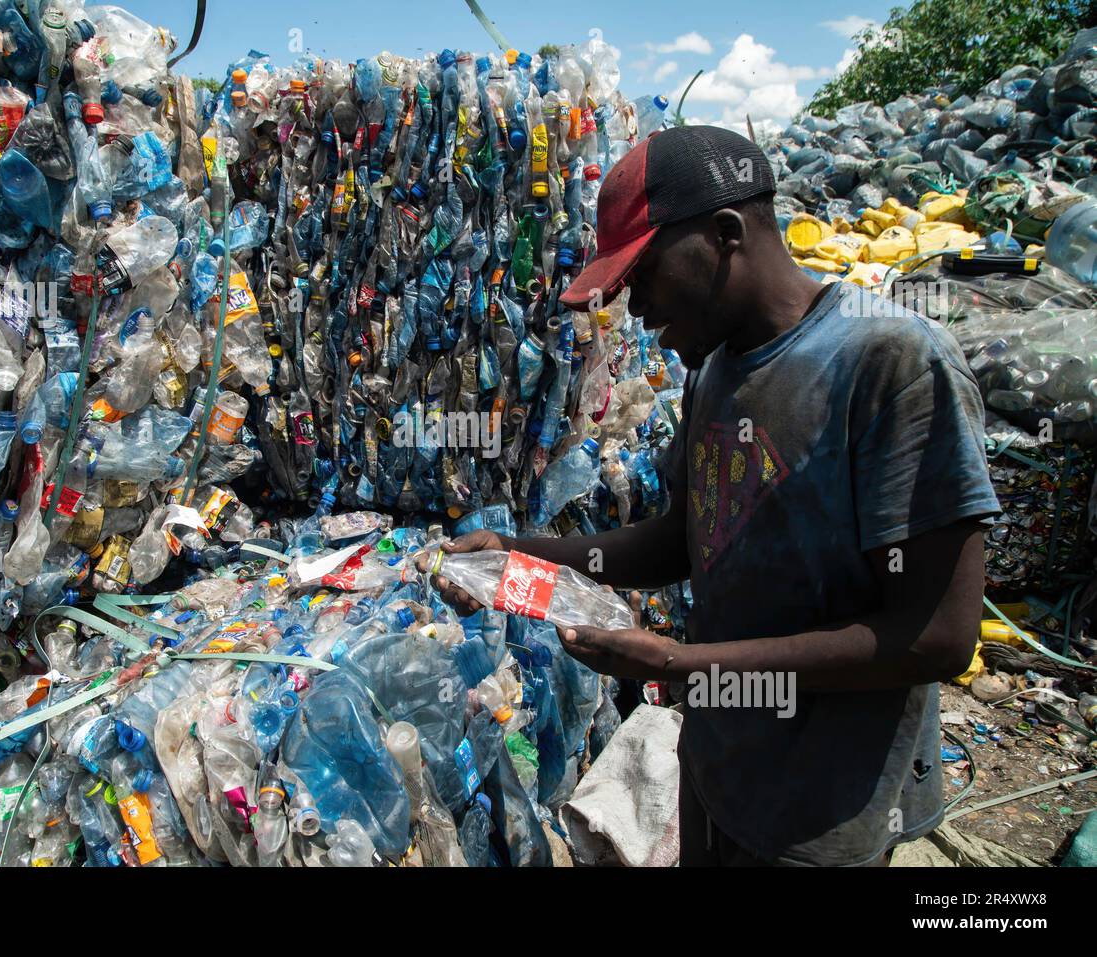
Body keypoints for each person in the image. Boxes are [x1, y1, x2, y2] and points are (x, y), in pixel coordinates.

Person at [428, 126, 1001, 866]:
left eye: (645, 276)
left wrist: (679, 665)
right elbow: (686, 539)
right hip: (719, 767)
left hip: (821, 810)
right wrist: (518, 559)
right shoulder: (716, 370)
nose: (633, 312)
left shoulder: (892, 362)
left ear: (725, 234)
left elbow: (938, 636)